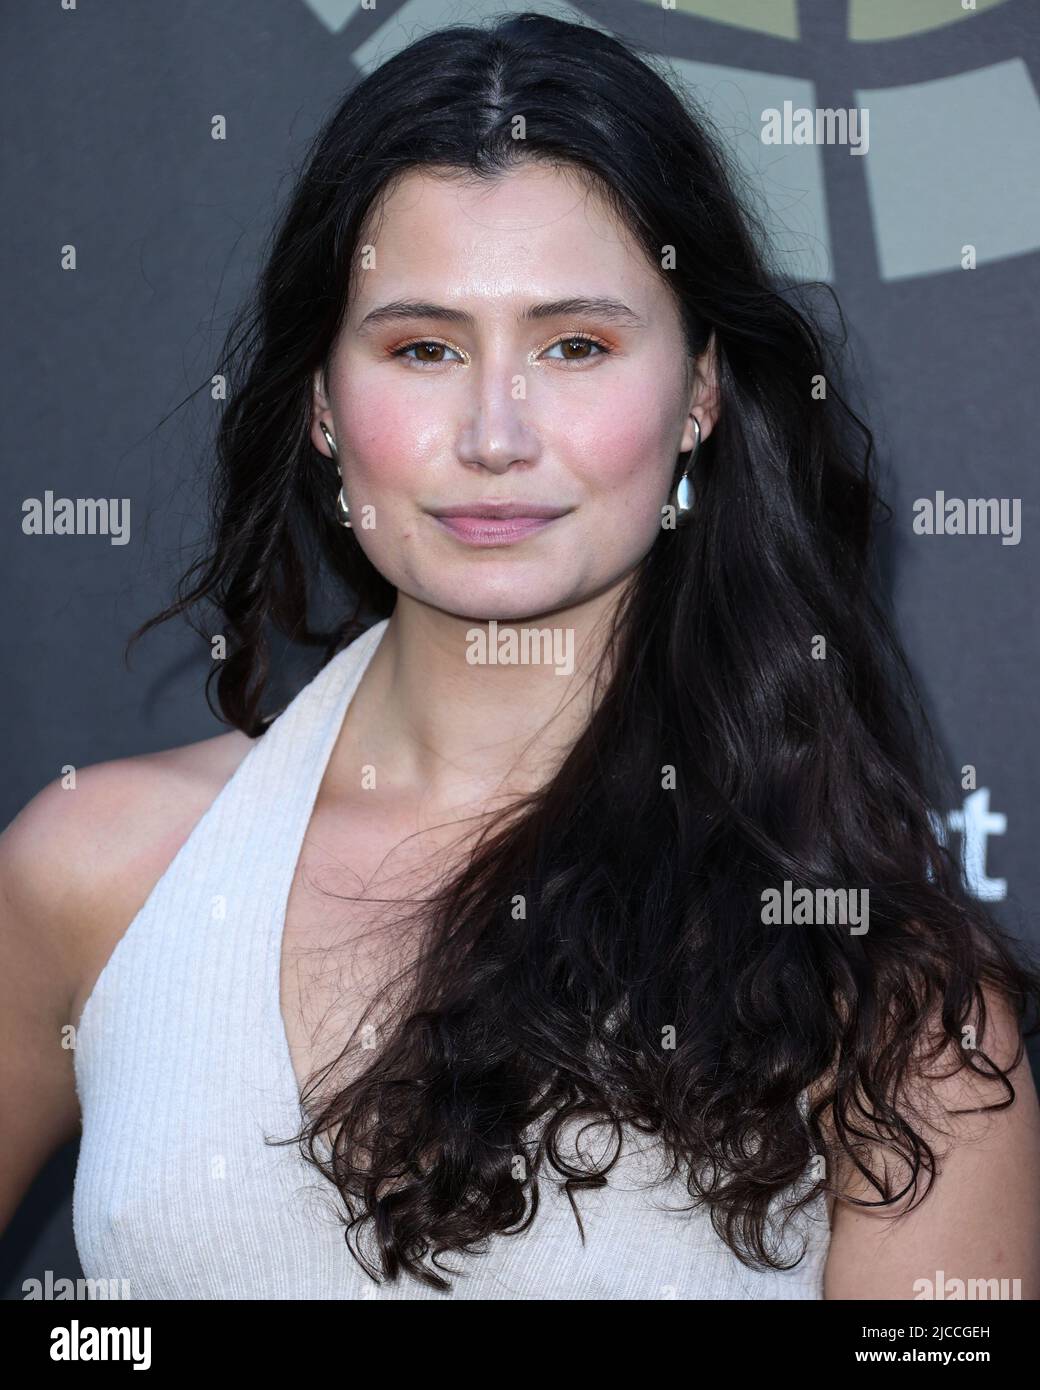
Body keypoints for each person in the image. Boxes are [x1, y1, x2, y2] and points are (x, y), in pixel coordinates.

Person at [3, 11, 1038, 1301]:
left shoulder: (882, 988)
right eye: (424, 347)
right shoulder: (91, 875)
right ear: (324, 402)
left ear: (701, 393)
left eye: (576, 347)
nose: (495, 433)